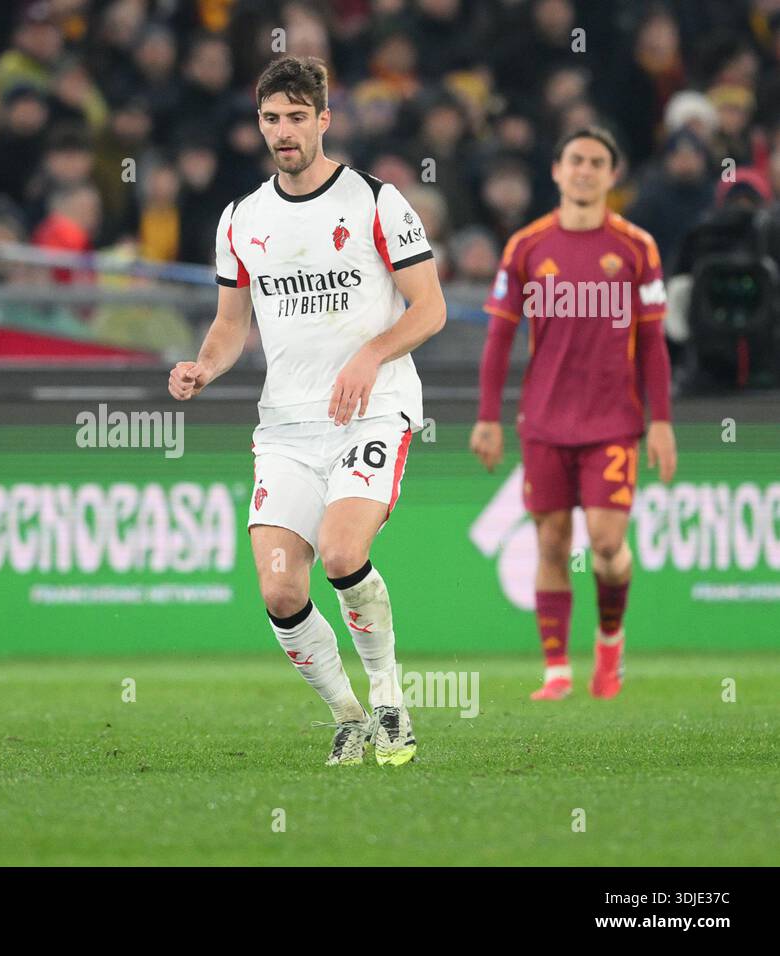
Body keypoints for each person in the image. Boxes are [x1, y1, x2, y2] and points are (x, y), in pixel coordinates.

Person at [168, 55, 446, 767]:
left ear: (324, 120)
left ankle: (390, 703)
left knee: (345, 552)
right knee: (281, 584)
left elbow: (432, 308)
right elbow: (232, 325)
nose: (284, 131)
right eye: (271, 118)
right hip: (288, 427)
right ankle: (347, 716)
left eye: (297, 117)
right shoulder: (242, 219)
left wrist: (370, 354)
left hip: (371, 410)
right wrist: (205, 364)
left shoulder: (377, 202)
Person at [471, 126, 677, 701]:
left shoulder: (638, 247)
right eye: (575, 161)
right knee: (552, 544)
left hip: (613, 421)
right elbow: (498, 338)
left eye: (597, 163)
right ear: (557, 171)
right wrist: (488, 417)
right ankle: (557, 670)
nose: (585, 171)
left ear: (613, 176)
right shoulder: (527, 247)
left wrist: (660, 422)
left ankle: (610, 644)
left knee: (609, 545)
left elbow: (655, 344)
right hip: (544, 421)